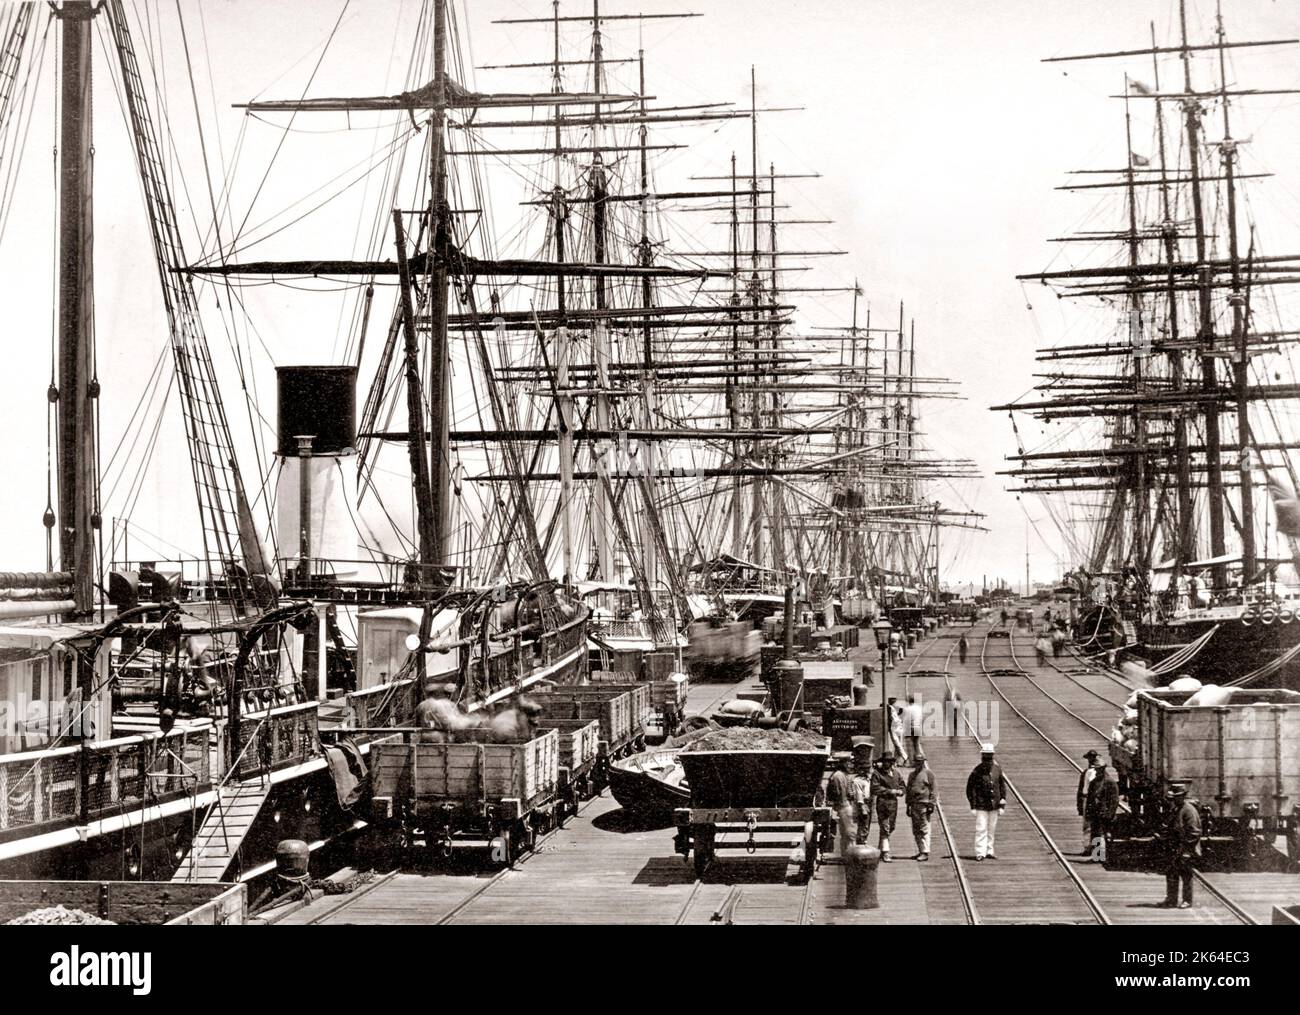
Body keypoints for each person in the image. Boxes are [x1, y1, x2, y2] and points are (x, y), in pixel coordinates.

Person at [965, 744, 1007, 861]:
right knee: (981, 829)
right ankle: (980, 852)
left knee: (991, 829)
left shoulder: (997, 769)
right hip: (981, 805)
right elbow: (970, 788)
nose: (987, 759)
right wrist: (973, 805)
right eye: (986, 757)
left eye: (989, 757)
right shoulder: (977, 771)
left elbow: (1002, 787)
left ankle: (989, 850)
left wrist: (1002, 804)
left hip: (994, 805)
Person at [1163, 782, 1201, 908]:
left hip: (1185, 848)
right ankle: (1171, 899)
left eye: (1177, 797)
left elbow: (1194, 832)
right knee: (1172, 874)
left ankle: (1187, 900)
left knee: (1186, 875)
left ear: (1183, 796)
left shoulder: (1189, 810)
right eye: (1173, 797)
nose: (1174, 799)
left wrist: (1187, 850)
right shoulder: (1176, 809)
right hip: (1175, 848)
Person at [871, 751, 906, 862]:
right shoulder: (877, 773)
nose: (887, 763)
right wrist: (890, 791)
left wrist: (901, 791)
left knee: (891, 827)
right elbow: (875, 788)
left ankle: (881, 849)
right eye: (885, 761)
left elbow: (902, 785)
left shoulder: (896, 773)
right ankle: (886, 852)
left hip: (893, 804)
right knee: (885, 828)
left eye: (889, 761)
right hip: (883, 803)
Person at [905, 748, 937, 861]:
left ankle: (925, 852)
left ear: (923, 762)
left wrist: (931, 804)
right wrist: (908, 805)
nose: (918, 763)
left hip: (924, 804)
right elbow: (908, 790)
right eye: (916, 761)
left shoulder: (928, 773)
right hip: (914, 804)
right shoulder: (911, 775)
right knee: (916, 829)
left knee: (924, 828)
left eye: (920, 762)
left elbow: (933, 790)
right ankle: (920, 850)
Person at [1085, 761, 1119, 863]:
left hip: (1106, 814)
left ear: (1103, 769)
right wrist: (1088, 812)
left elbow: (1114, 800)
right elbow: (1090, 799)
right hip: (1096, 813)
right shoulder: (1094, 782)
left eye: (1098, 769)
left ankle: (1108, 858)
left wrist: (1110, 814)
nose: (1096, 771)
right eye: (1095, 769)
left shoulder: (1110, 782)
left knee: (1107, 836)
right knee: (1096, 834)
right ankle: (1097, 857)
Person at [1076, 749, 1100, 855]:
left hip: (1090, 799)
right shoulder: (1099, 773)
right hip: (1093, 800)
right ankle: (1095, 851)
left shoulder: (1088, 773)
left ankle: (1090, 849)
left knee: (1089, 826)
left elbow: (1081, 790)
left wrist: (1080, 805)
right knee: (1095, 826)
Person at [887, 698, 908, 765]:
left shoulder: (890, 708)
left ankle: (905, 757)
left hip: (894, 728)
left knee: (897, 744)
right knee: (898, 745)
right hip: (899, 727)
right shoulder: (895, 708)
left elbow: (892, 718)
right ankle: (896, 761)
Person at [904, 694, 924, 764]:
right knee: (916, 744)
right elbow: (921, 718)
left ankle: (912, 762)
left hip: (910, 728)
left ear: (908, 701)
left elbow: (906, 720)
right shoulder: (919, 708)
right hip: (917, 727)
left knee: (909, 745)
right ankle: (919, 760)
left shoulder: (907, 709)